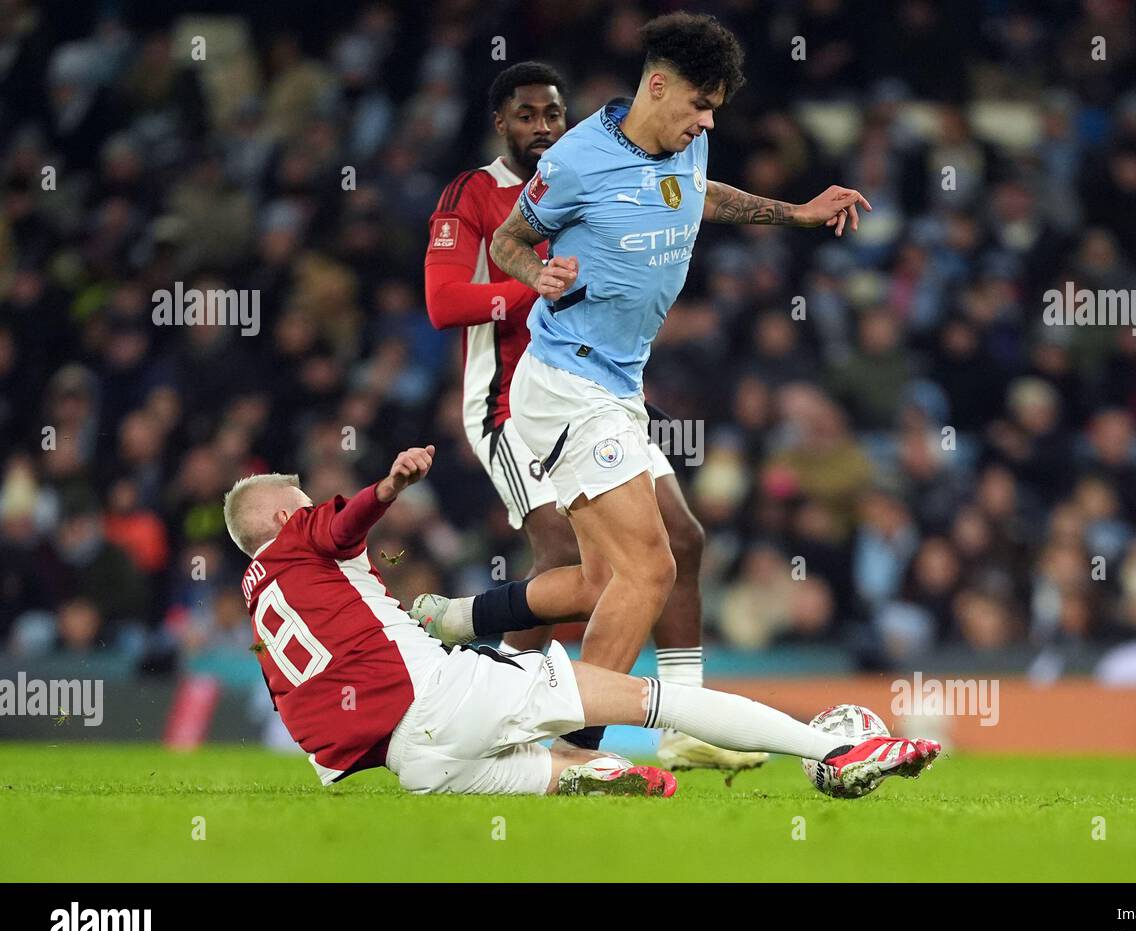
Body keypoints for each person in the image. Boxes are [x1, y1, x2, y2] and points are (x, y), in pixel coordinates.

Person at [422, 14, 870, 760]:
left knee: (615, 572)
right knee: (648, 568)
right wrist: (538, 274)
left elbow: (697, 195)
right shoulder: (574, 161)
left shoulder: (687, 146)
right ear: (656, 86)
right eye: (699, 104)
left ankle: (462, 619)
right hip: (566, 383)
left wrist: (794, 213)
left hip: (617, 386)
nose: (707, 121)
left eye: (715, 109)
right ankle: (572, 745)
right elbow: (508, 241)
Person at [223, 445, 941, 796]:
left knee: (552, 767)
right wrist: (389, 486)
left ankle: (584, 769)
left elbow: (321, 739)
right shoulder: (302, 535)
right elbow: (345, 523)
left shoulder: (263, 611)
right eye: (305, 498)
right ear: (286, 517)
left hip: (414, 767)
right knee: (649, 697)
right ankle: (829, 747)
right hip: (445, 697)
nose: (316, 502)